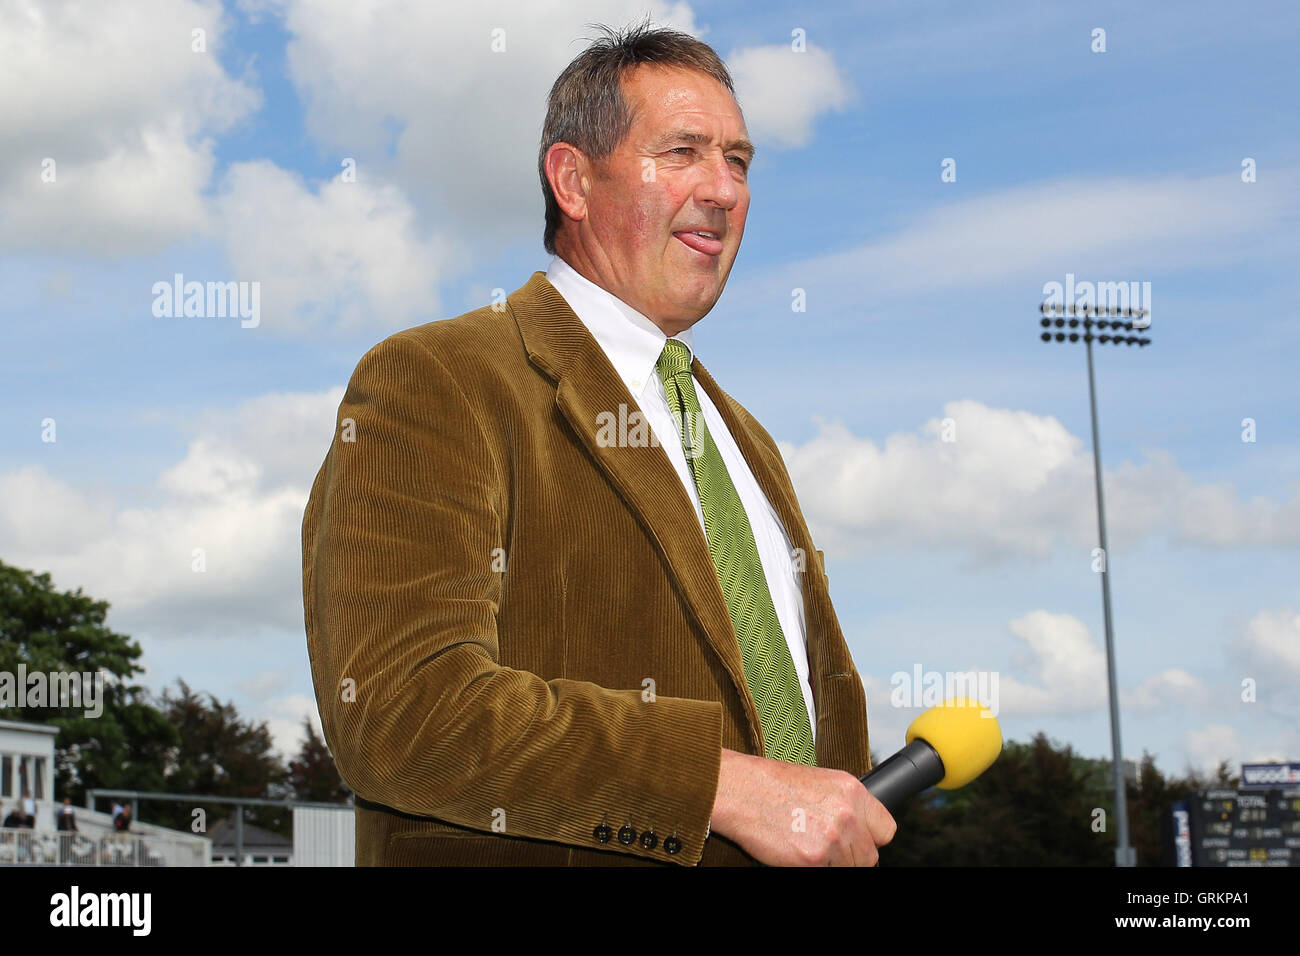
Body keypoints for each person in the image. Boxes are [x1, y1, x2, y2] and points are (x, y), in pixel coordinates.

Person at [303, 21, 895, 867]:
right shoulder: (438, 378)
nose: (723, 189)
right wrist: (720, 787)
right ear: (573, 180)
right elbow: (401, 710)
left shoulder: (745, 440)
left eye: (739, 160)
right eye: (684, 151)